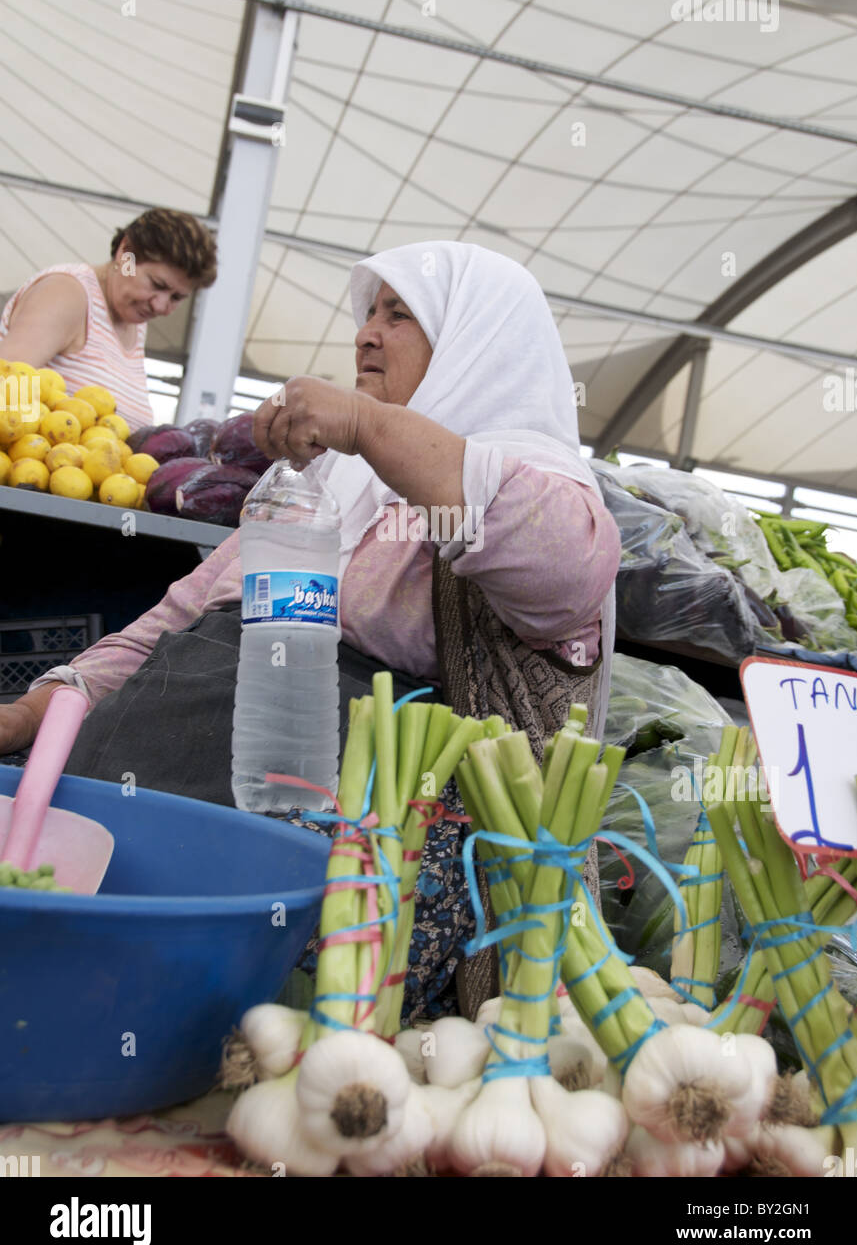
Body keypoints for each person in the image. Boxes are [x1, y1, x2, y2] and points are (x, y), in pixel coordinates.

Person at [0, 241, 620, 1018]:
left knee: (181, 980)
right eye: (367, 311)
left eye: (400, 316)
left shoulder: (539, 490)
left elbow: (561, 569)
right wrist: (38, 707)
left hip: (336, 821)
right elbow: (177, 615)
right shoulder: (327, 483)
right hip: (175, 760)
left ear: (478, 339)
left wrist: (365, 423)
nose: (366, 332)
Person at [0, 208, 217, 431]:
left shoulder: (135, 325)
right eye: (157, 285)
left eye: (176, 297)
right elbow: (8, 378)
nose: (161, 306)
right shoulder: (68, 294)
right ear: (126, 253)